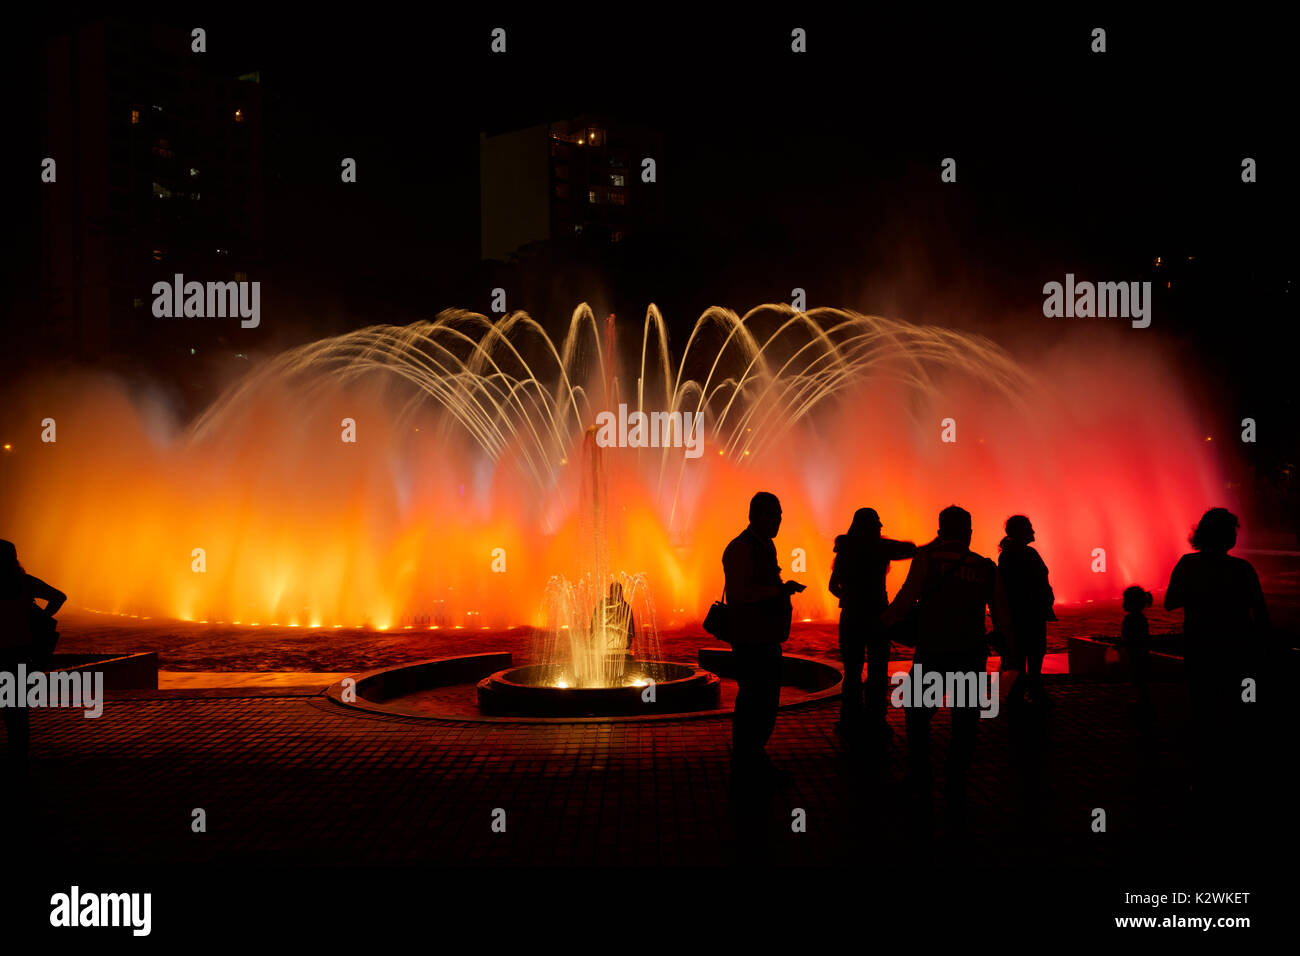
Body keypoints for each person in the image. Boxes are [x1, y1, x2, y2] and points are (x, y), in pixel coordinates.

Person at [882, 506, 1010, 822]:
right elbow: (1003, 614)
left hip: (933, 654)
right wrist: (1008, 646)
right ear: (968, 532)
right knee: (965, 723)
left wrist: (881, 623)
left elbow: (903, 600)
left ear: (940, 531)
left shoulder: (927, 560)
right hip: (969, 655)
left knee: (917, 716)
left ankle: (919, 775)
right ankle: (956, 780)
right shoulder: (985, 567)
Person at [1164, 509, 1269, 768]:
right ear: (1227, 537)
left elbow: (1170, 602)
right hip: (1237, 646)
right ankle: (1236, 757)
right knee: (1237, 703)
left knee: (1203, 701)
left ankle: (1205, 759)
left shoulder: (1188, 565)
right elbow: (1260, 612)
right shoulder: (1242, 569)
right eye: (1232, 531)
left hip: (1200, 643)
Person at [722, 492, 805, 787]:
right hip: (750, 638)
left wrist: (782, 589)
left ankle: (753, 761)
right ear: (754, 516)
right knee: (754, 702)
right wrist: (780, 592)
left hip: (766, 637)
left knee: (764, 702)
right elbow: (741, 594)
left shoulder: (765, 546)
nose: (778, 520)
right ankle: (747, 766)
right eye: (772, 515)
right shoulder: (740, 549)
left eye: (779, 514)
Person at [828, 508, 915, 743]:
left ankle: (850, 721)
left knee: (853, 672)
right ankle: (876, 721)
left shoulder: (846, 549)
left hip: (851, 617)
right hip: (878, 617)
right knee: (877, 672)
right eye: (878, 524)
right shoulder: (880, 548)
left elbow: (832, 585)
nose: (880, 528)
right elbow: (909, 549)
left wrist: (846, 598)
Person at [0, 540, 67, 774]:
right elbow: (59, 596)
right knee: (17, 711)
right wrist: (38, 619)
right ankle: (19, 760)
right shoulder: (25, 583)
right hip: (20, 653)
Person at [997, 515, 1056, 709]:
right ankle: (1031, 694)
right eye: (1029, 527)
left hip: (1020, 614)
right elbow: (1035, 582)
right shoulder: (1026, 554)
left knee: (1021, 657)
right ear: (1020, 531)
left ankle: (1019, 695)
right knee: (1032, 655)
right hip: (1029, 615)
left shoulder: (1007, 555)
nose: (1033, 531)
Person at [1119, 586, 1154, 716]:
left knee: (1139, 679)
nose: (1123, 603)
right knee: (1141, 680)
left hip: (1136, 654)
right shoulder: (1141, 618)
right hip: (1141, 653)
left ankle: (1144, 705)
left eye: (1125, 600)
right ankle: (1144, 702)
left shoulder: (1131, 619)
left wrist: (1121, 644)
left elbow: (1131, 637)